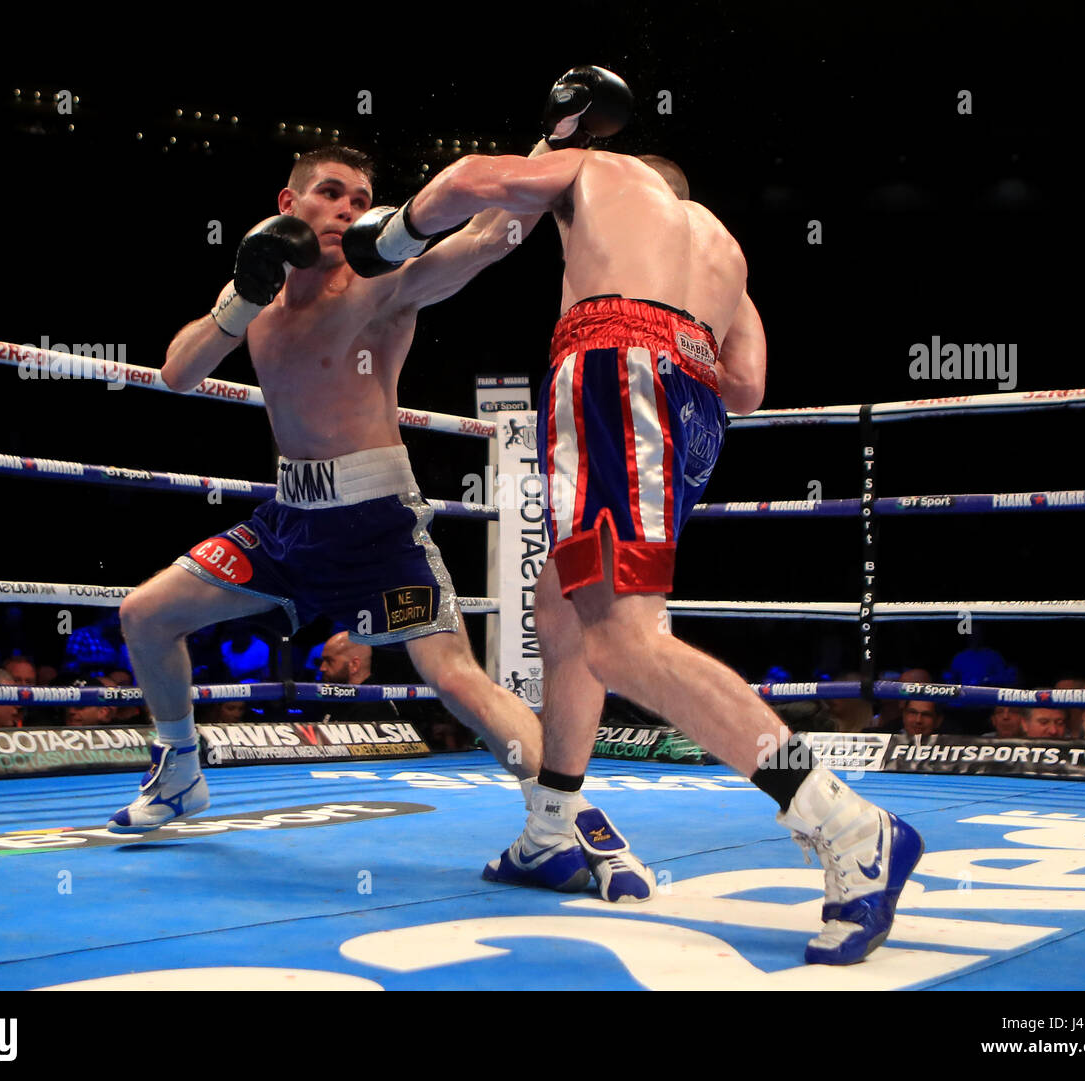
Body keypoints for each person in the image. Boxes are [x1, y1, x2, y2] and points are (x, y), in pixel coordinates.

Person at [347, 65, 924, 961]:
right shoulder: (726, 250)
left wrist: (390, 238)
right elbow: (747, 385)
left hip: (617, 372)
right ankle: (550, 827)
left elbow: (466, 178)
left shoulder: (604, 173)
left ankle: (847, 824)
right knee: (560, 605)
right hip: (686, 408)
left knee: (619, 635)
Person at [109, 140, 647, 900]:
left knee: (453, 675)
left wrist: (553, 147)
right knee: (145, 615)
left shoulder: (381, 284)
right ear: (287, 204)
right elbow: (178, 371)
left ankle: (568, 816)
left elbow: (488, 236)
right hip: (287, 521)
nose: (349, 210)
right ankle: (181, 773)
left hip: (375, 526)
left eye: (362, 200)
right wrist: (241, 294)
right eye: (332, 194)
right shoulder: (255, 301)